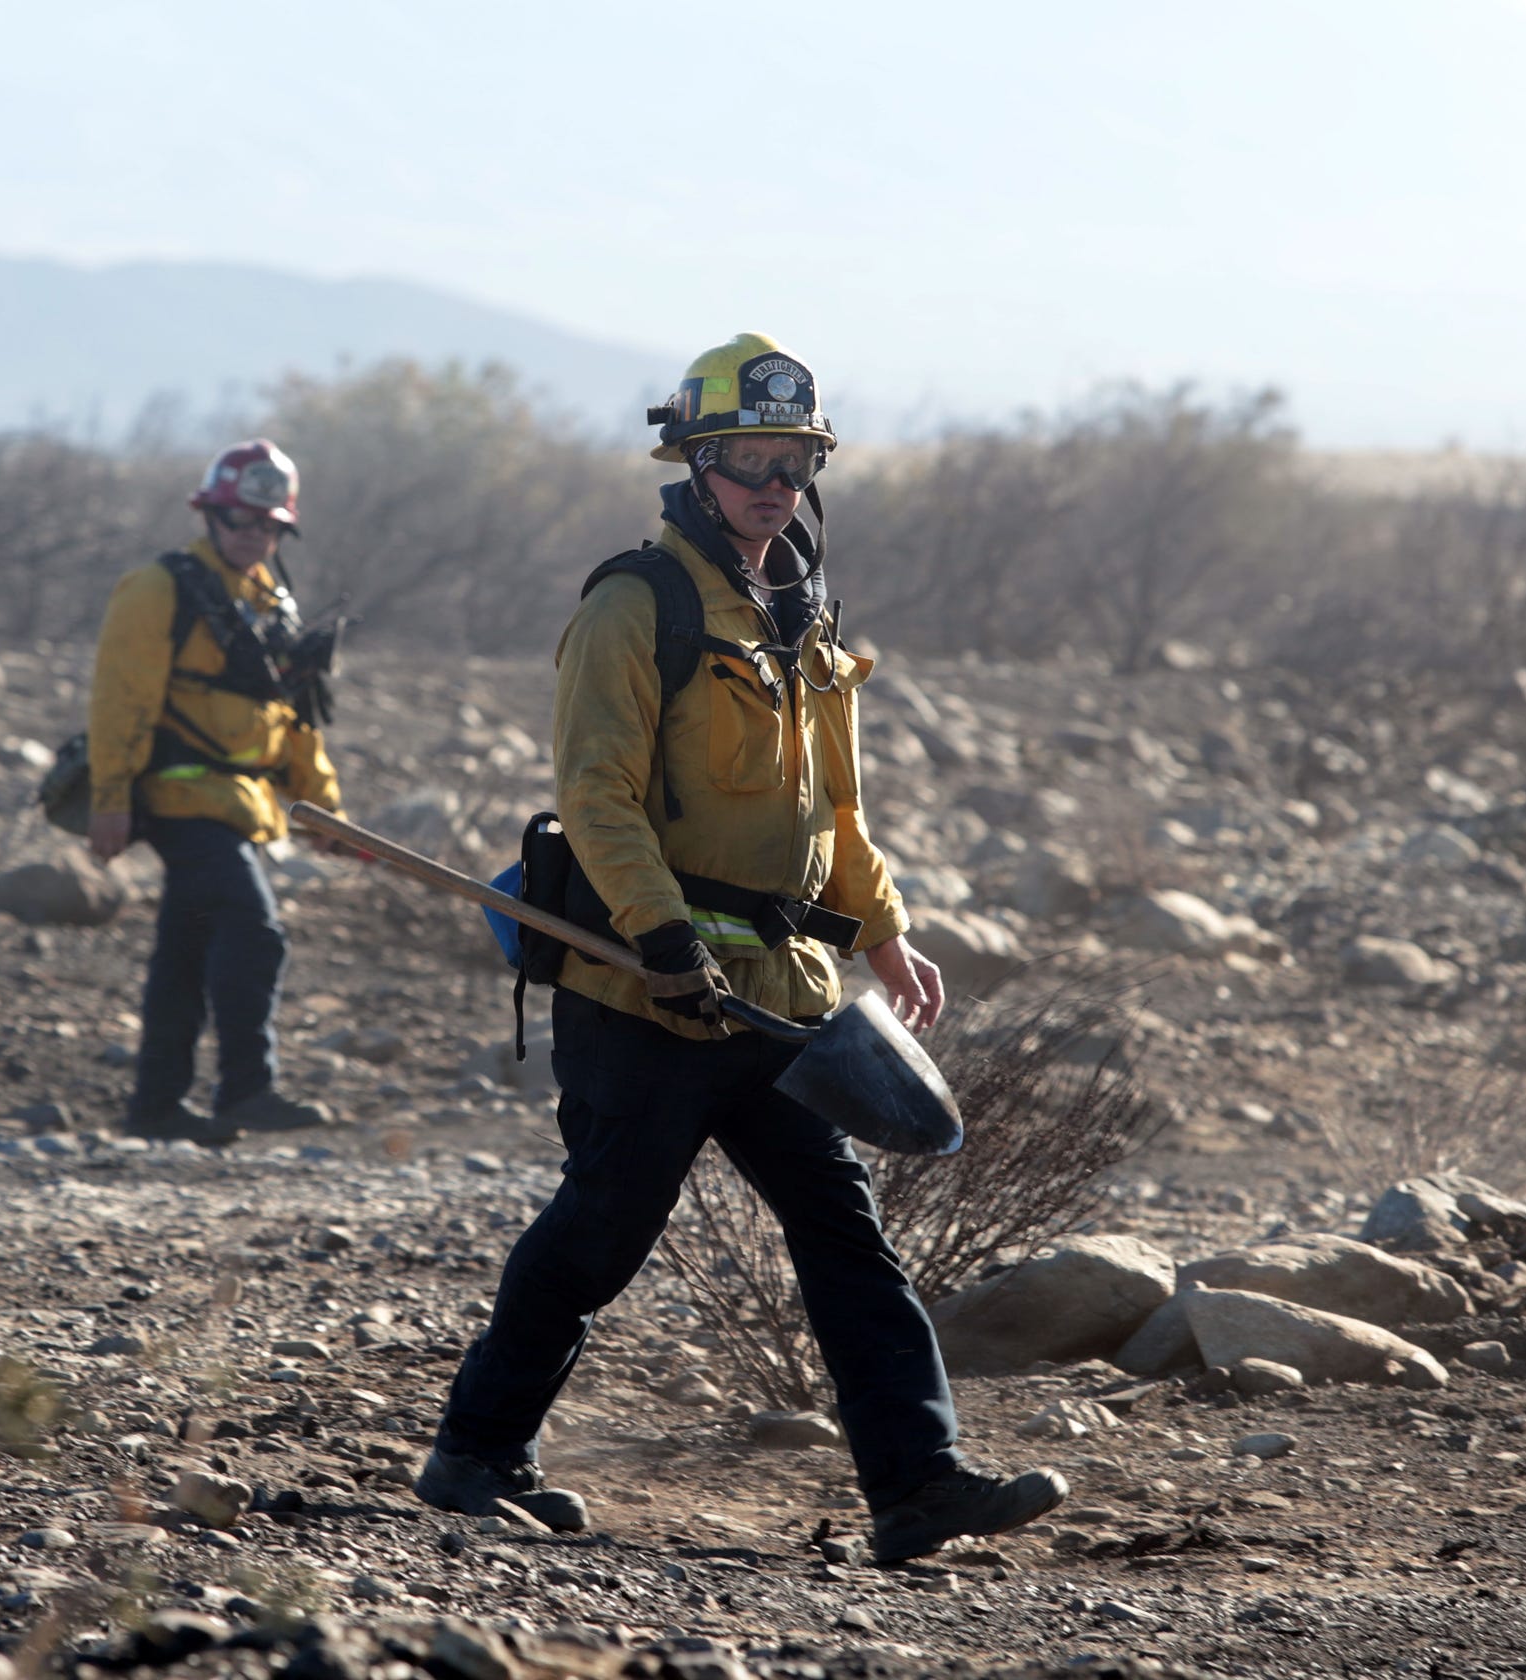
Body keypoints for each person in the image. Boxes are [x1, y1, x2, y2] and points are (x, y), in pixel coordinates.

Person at [415, 336, 1062, 1562]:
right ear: (694, 463)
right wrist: (661, 937)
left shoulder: (802, 617)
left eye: (793, 461)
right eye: (749, 460)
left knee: (846, 1238)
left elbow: (836, 812)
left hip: (782, 1001)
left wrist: (885, 934)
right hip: (644, 999)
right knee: (600, 1235)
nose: (773, 483)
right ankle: (475, 1454)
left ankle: (917, 1486)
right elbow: (596, 798)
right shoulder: (633, 607)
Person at [85, 439, 341, 1143]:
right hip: (177, 800)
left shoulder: (271, 602)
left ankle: (156, 1107)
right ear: (210, 516)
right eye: (240, 520)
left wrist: (325, 810)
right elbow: (120, 700)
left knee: (186, 951)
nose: (253, 535)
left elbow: (293, 718)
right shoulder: (156, 589)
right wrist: (110, 798)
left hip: (238, 807)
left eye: (268, 525)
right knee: (254, 932)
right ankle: (246, 1089)